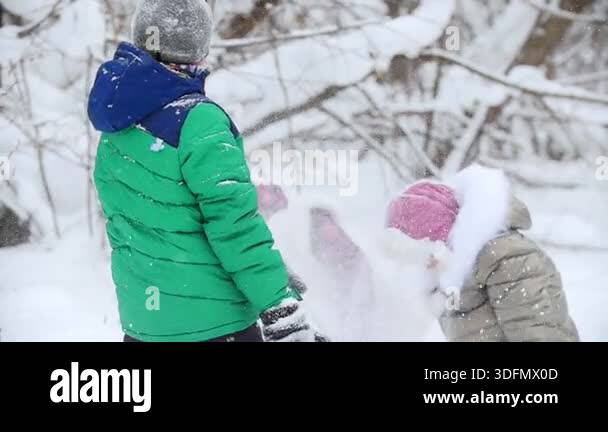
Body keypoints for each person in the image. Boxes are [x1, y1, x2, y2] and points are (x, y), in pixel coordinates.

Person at [88, 0, 319, 342]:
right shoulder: (199, 120)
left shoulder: (116, 127)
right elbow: (234, 226)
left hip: (144, 327)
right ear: (198, 47)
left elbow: (153, 225)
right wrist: (278, 302)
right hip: (214, 326)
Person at [385, 164, 579, 342]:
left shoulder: (507, 259)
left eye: (421, 249)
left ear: (439, 237)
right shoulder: (448, 272)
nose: (420, 264)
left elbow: (543, 334)